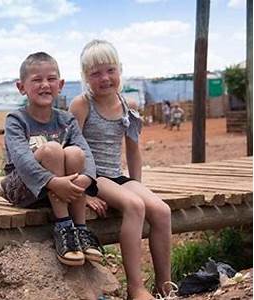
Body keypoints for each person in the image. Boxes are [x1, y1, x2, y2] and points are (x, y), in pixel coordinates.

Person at [69, 40, 172, 300]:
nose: (105, 78)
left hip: (117, 175)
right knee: (135, 207)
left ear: (120, 70)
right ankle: (135, 287)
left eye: (110, 70)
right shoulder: (81, 105)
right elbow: (69, 151)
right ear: (85, 77)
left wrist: (138, 185)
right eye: (96, 73)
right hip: (91, 177)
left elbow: (133, 151)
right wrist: (85, 194)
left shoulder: (130, 106)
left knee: (161, 210)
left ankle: (164, 286)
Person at [0, 52, 104, 267]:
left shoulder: (66, 120)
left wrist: (86, 179)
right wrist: (53, 182)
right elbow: (22, 161)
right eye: (36, 80)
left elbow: (87, 153)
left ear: (61, 84)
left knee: (75, 153)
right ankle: (64, 226)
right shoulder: (16, 120)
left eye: (51, 79)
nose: (45, 85)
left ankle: (80, 229)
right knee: (52, 150)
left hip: (60, 189)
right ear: (21, 87)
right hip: (24, 187)